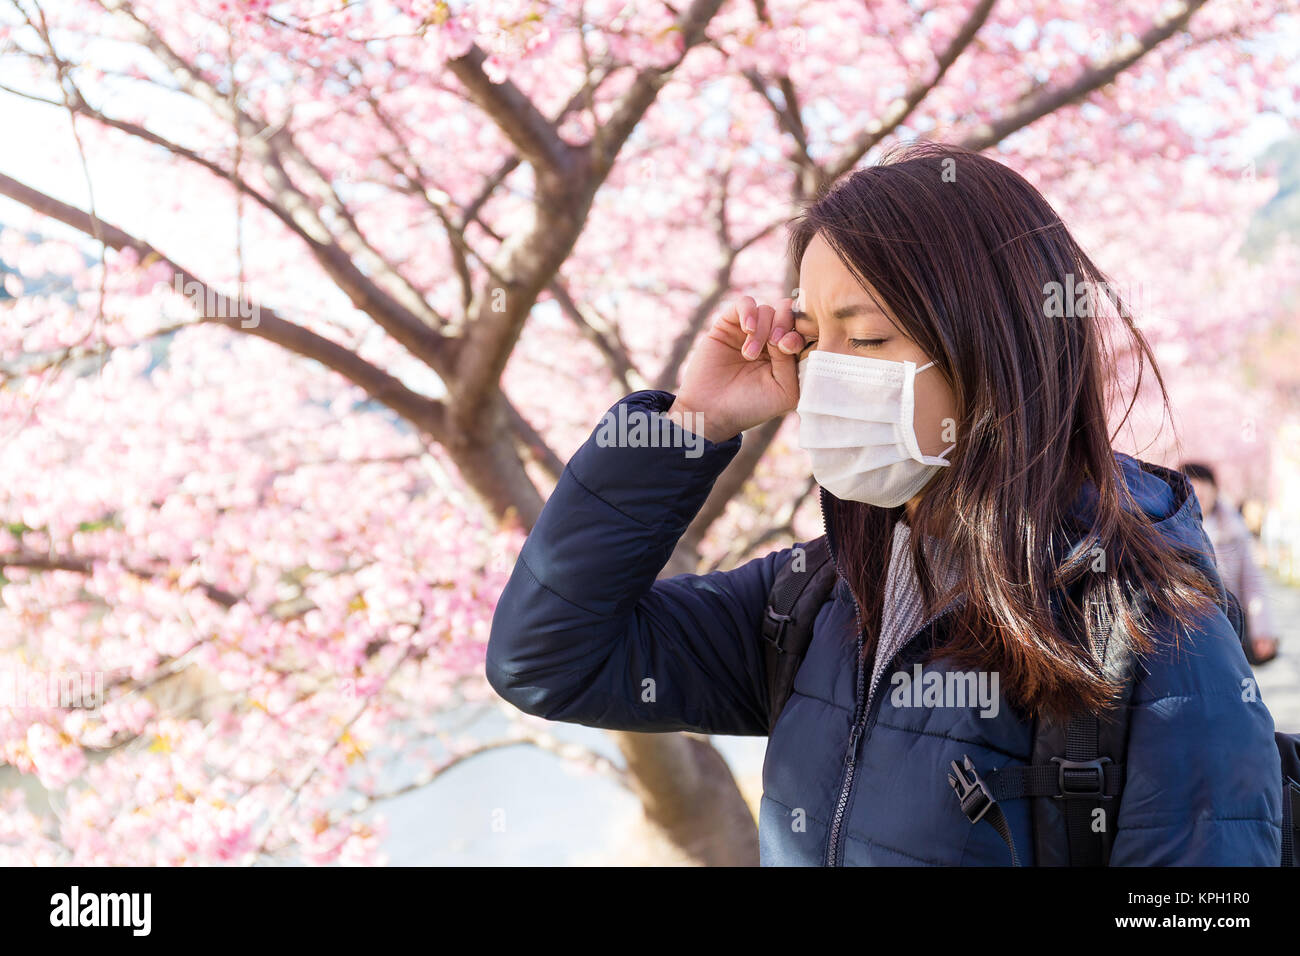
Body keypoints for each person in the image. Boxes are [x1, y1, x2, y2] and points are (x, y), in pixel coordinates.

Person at [486, 142, 1282, 866]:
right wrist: (689, 426)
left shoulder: (1148, 626)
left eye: (865, 340)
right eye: (809, 335)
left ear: (995, 348)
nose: (825, 373)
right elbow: (548, 662)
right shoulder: (814, 602)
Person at [1181, 462, 1279, 664]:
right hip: (1183, 632)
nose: (1197, 490)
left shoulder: (1234, 531)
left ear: (1215, 490)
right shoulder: (1167, 530)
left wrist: (1261, 630)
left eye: (1203, 484)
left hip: (1227, 627)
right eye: (1191, 484)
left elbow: (1251, 582)